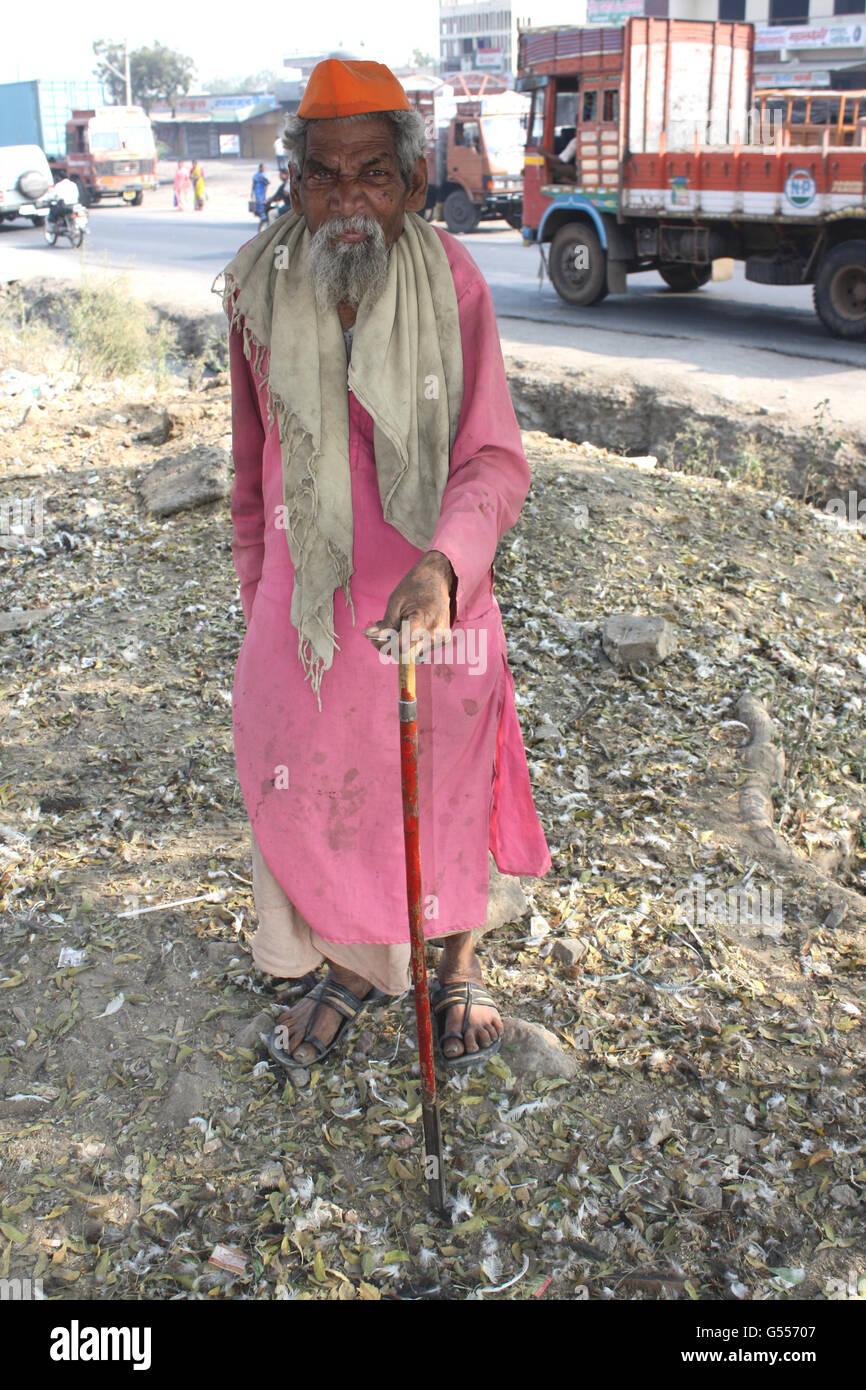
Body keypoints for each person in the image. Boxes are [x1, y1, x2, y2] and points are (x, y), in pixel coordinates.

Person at [217, 58, 550, 1073]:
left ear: (410, 183)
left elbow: (491, 457)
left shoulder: (451, 281)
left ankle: (452, 962)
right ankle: (355, 963)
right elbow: (248, 463)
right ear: (297, 182)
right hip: (307, 596)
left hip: (435, 593)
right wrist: (258, 593)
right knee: (294, 759)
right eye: (325, 175)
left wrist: (446, 567)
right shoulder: (259, 287)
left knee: (445, 764)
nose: (347, 199)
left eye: (371, 174)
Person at [251, 162, 270, 230]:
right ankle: (261, 217)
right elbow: (253, 183)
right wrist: (252, 193)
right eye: (262, 167)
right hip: (257, 190)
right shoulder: (256, 175)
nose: (263, 169)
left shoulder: (265, 175)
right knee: (258, 203)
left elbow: (268, 183)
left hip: (262, 191)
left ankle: (263, 217)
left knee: (262, 203)